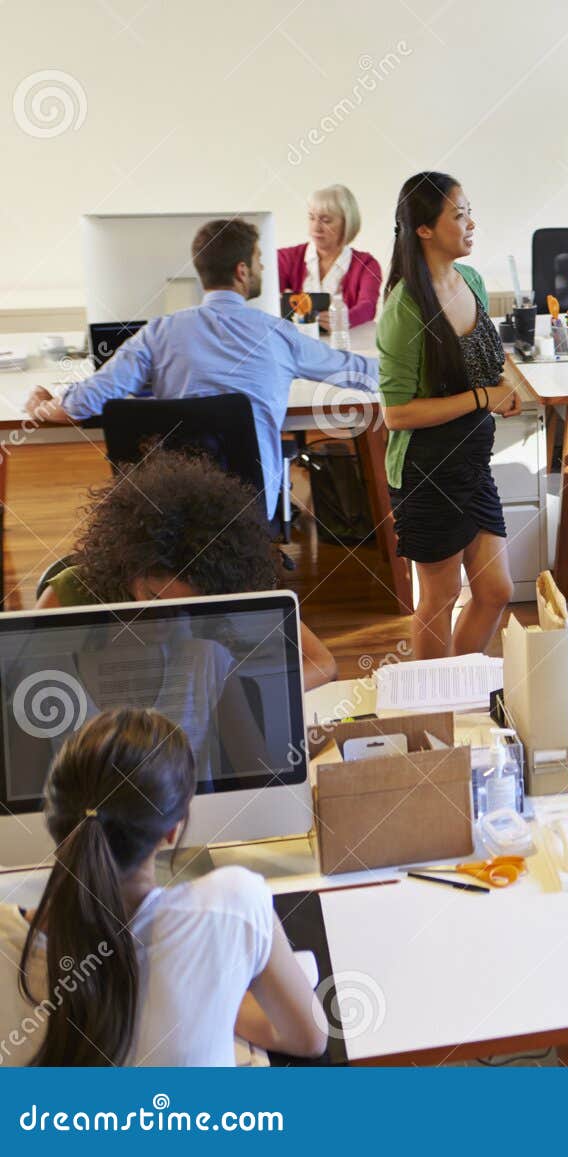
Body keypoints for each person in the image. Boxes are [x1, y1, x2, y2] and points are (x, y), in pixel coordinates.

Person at [0, 708, 326, 1066]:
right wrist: (220, 998)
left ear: (54, 821)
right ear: (173, 830)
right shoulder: (234, 903)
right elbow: (309, 1039)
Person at [24, 218, 377, 523]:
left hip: (170, 506)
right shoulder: (277, 334)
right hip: (251, 507)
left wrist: (44, 403)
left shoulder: (159, 333)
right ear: (242, 271)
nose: (263, 269)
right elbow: (357, 373)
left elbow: (80, 404)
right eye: (258, 261)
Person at [35, 450, 339, 689]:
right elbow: (24, 691)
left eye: (188, 609)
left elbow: (322, 662)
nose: (163, 622)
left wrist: (240, 696)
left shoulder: (231, 585)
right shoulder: (72, 593)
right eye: (154, 599)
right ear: (129, 569)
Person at [378, 172, 520, 659]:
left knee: (496, 590)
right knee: (438, 599)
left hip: (471, 465)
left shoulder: (472, 281)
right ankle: (432, 715)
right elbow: (396, 414)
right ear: (424, 229)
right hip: (427, 471)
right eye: (459, 215)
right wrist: (485, 398)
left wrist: (504, 389)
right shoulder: (405, 307)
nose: (471, 223)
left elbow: (485, 364)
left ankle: (455, 689)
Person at [278, 184, 382, 329]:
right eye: (311, 218)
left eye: (325, 220)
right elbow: (266, 298)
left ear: (347, 223)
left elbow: (368, 307)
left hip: (345, 345)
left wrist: (342, 319)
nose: (316, 227)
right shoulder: (286, 258)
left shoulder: (366, 265)